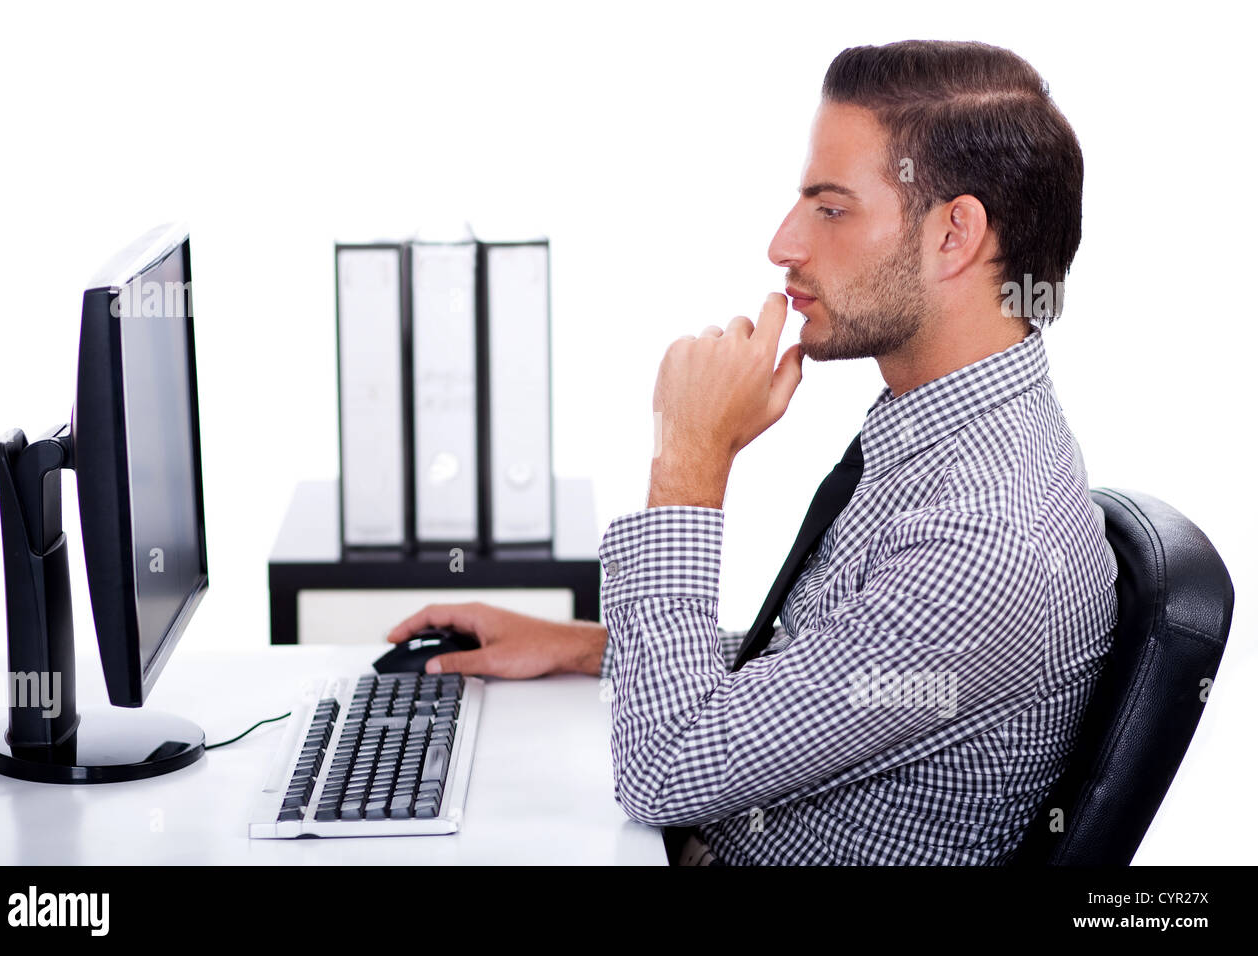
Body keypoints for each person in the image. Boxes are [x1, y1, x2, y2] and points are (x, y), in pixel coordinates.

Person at [385, 39, 1117, 865]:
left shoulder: (983, 536)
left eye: (831, 208)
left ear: (955, 235)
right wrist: (592, 647)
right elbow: (832, 674)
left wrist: (688, 460)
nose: (783, 244)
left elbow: (665, 769)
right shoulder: (955, 439)